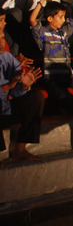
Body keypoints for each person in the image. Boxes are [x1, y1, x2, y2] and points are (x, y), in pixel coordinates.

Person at [0, 9, 45, 161]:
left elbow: (16, 92)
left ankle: (20, 149)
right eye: (1, 20)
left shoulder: (5, 51)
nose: (4, 24)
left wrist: (24, 85)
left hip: (6, 107)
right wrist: (8, 85)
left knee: (35, 97)